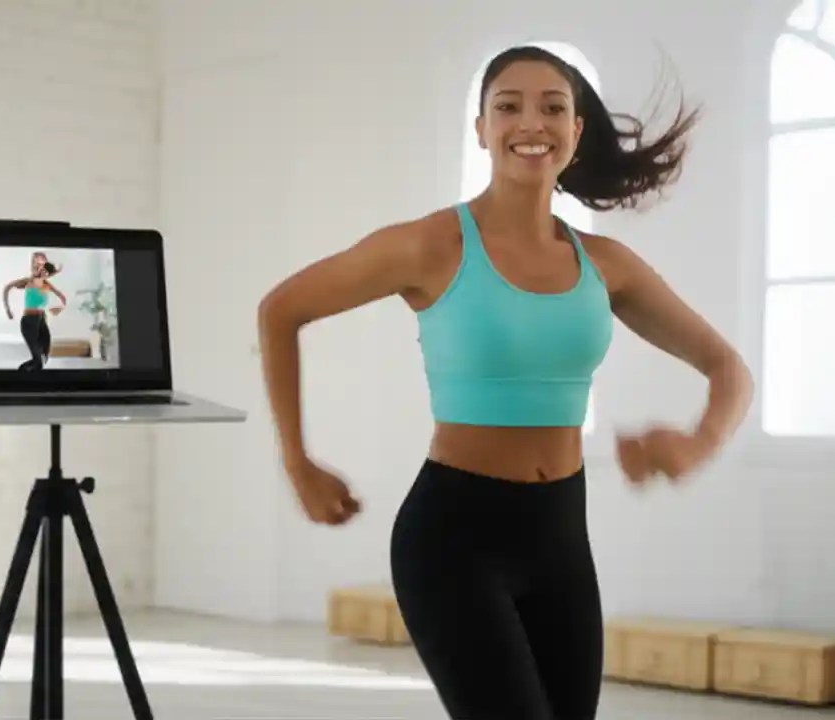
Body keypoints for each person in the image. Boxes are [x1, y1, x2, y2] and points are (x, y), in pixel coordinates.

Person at [257, 45, 753, 720]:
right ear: (482, 128)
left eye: (554, 107)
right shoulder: (431, 245)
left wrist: (698, 443)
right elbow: (281, 309)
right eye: (508, 106)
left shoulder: (606, 264)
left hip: (559, 541)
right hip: (453, 539)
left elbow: (728, 369)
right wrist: (297, 461)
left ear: (577, 132)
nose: (532, 122)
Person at [5, 259, 66, 370]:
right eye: (41, 269)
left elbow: (62, 298)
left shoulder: (46, 284)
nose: (43, 272)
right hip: (29, 320)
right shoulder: (28, 281)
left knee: (45, 351)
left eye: (46, 272)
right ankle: (21, 372)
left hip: (41, 319)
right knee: (38, 361)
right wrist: (7, 309)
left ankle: (29, 370)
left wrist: (60, 308)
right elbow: (7, 287)